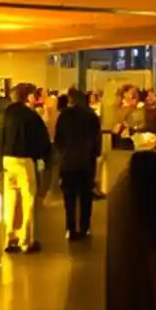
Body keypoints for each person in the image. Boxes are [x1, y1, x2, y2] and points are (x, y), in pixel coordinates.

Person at [0, 82, 52, 254]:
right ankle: (26, 240)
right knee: (28, 201)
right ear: (28, 97)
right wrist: (44, 159)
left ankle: (9, 237)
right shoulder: (31, 116)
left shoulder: (4, 115)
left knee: (11, 200)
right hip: (25, 161)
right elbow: (42, 141)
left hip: (7, 160)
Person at [54, 87, 102, 241]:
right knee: (86, 196)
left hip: (68, 162)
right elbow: (97, 140)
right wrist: (94, 154)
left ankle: (70, 228)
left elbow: (58, 139)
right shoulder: (91, 116)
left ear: (70, 99)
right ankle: (85, 227)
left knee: (69, 197)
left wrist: (62, 154)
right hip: (86, 162)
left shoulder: (64, 116)